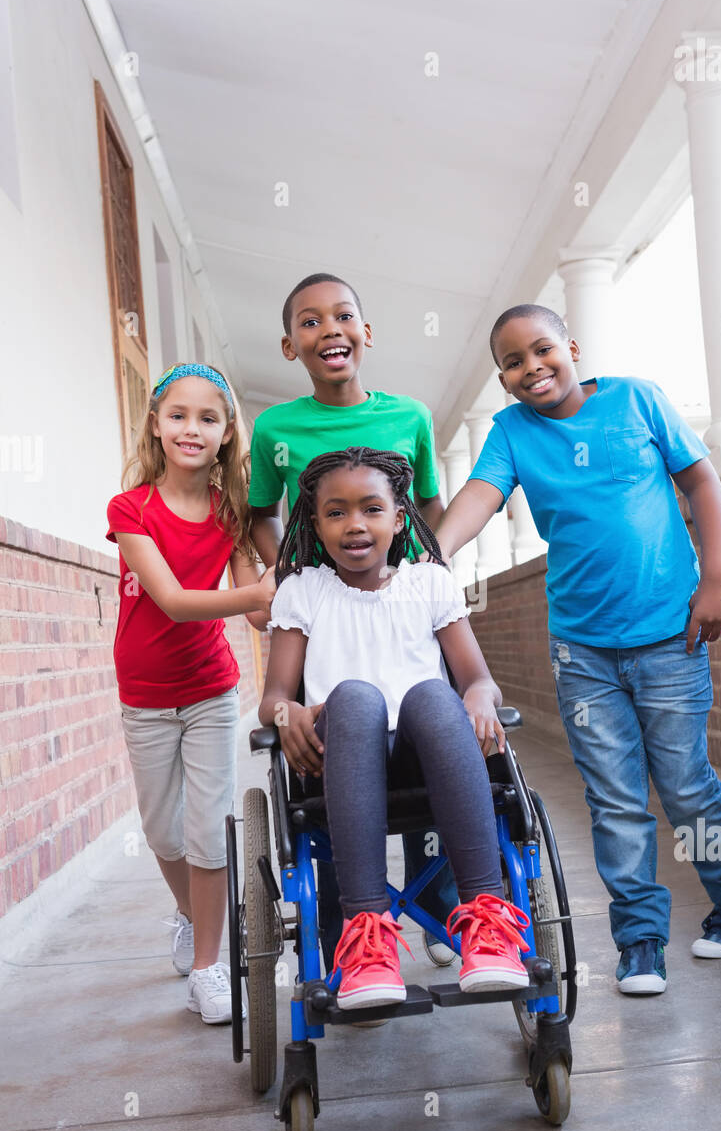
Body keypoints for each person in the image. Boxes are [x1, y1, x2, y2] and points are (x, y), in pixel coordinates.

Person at [434, 305, 721, 996]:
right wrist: (435, 552)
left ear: (572, 347)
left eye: (542, 350)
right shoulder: (511, 432)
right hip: (582, 652)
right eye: (512, 362)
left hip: (670, 636)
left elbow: (702, 482)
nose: (531, 368)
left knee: (684, 783)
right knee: (616, 798)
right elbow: (481, 493)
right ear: (502, 379)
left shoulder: (636, 399)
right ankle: (640, 939)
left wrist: (717, 578)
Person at [258, 445, 531, 1009]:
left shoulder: (428, 583)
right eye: (335, 512)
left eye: (371, 509)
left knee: (434, 693)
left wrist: (479, 696)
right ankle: (364, 938)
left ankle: (488, 923)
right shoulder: (301, 591)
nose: (354, 525)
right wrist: (287, 715)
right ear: (313, 523)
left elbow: (477, 679)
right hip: (337, 755)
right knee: (356, 697)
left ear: (400, 516)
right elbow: (275, 699)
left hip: (424, 756)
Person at [247, 272, 458, 965]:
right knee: (342, 725)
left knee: (427, 726)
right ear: (290, 345)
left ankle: (437, 905)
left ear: (367, 333)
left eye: (343, 316)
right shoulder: (276, 427)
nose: (329, 329)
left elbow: (426, 510)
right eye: (310, 321)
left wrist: (432, 582)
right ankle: (350, 932)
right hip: (319, 609)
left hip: (401, 600)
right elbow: (261, 514)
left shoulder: (412, 416)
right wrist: (289, 581)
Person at [106, 362, 275, 1024]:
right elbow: (174, 602)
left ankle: (210, 967)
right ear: (156, 423)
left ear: (227, 432)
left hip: (209, 691)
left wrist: (283, 584)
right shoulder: (131, 510)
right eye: (178, 415)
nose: (191, 429)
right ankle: (187, 913)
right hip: (145, 693)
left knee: (207, 833)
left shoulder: (231, 512)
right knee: (161, 830)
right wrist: (254, 593)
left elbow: (256, 609)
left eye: (208, 418)